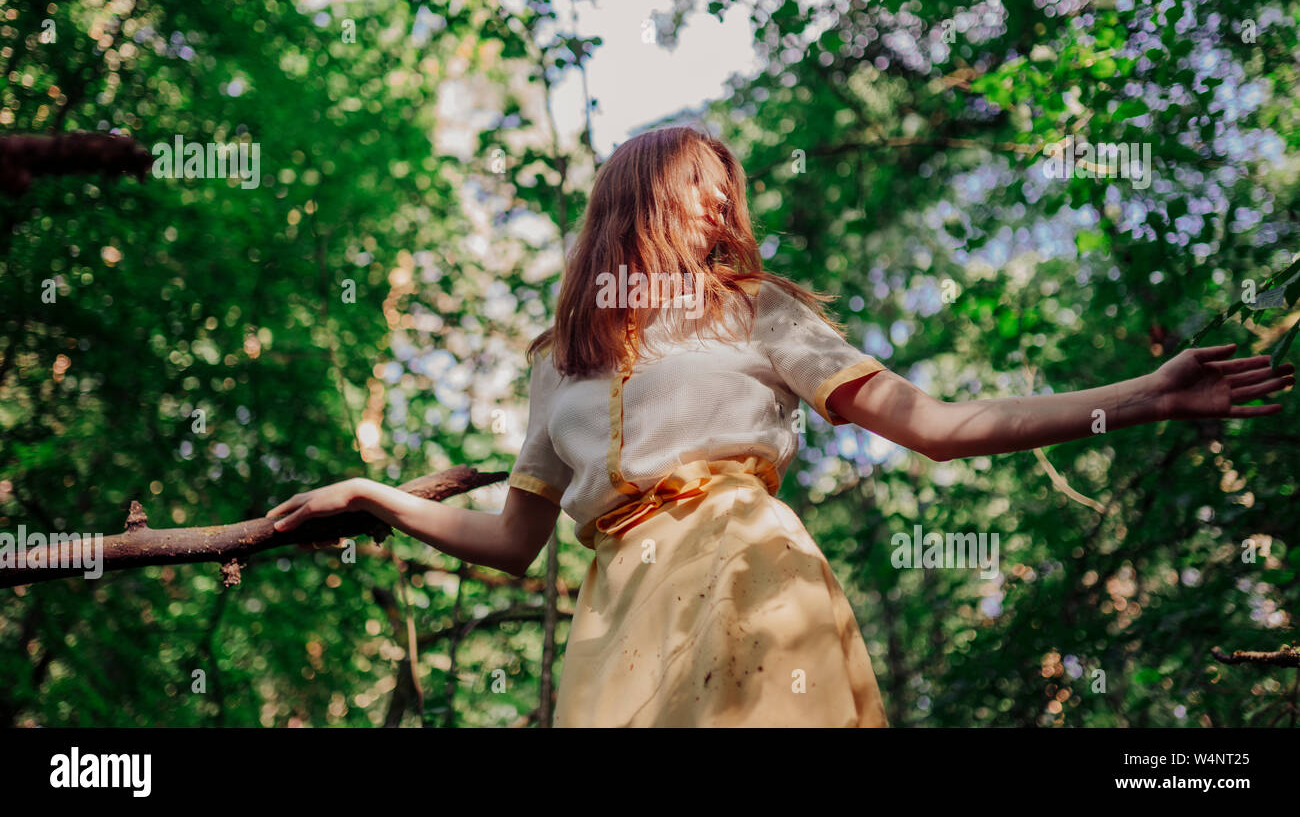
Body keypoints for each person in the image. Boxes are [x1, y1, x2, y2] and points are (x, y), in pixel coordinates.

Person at [267, 125, 1295, 727]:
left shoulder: (757, 312)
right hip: (615, 617)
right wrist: (373, 495)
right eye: (697, 194)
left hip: (749, 572)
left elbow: (933, 423)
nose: (719, 214)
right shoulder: (556, 362)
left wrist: (1143, 394)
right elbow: (509, 539)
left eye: (727, 200)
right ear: (636, 197)